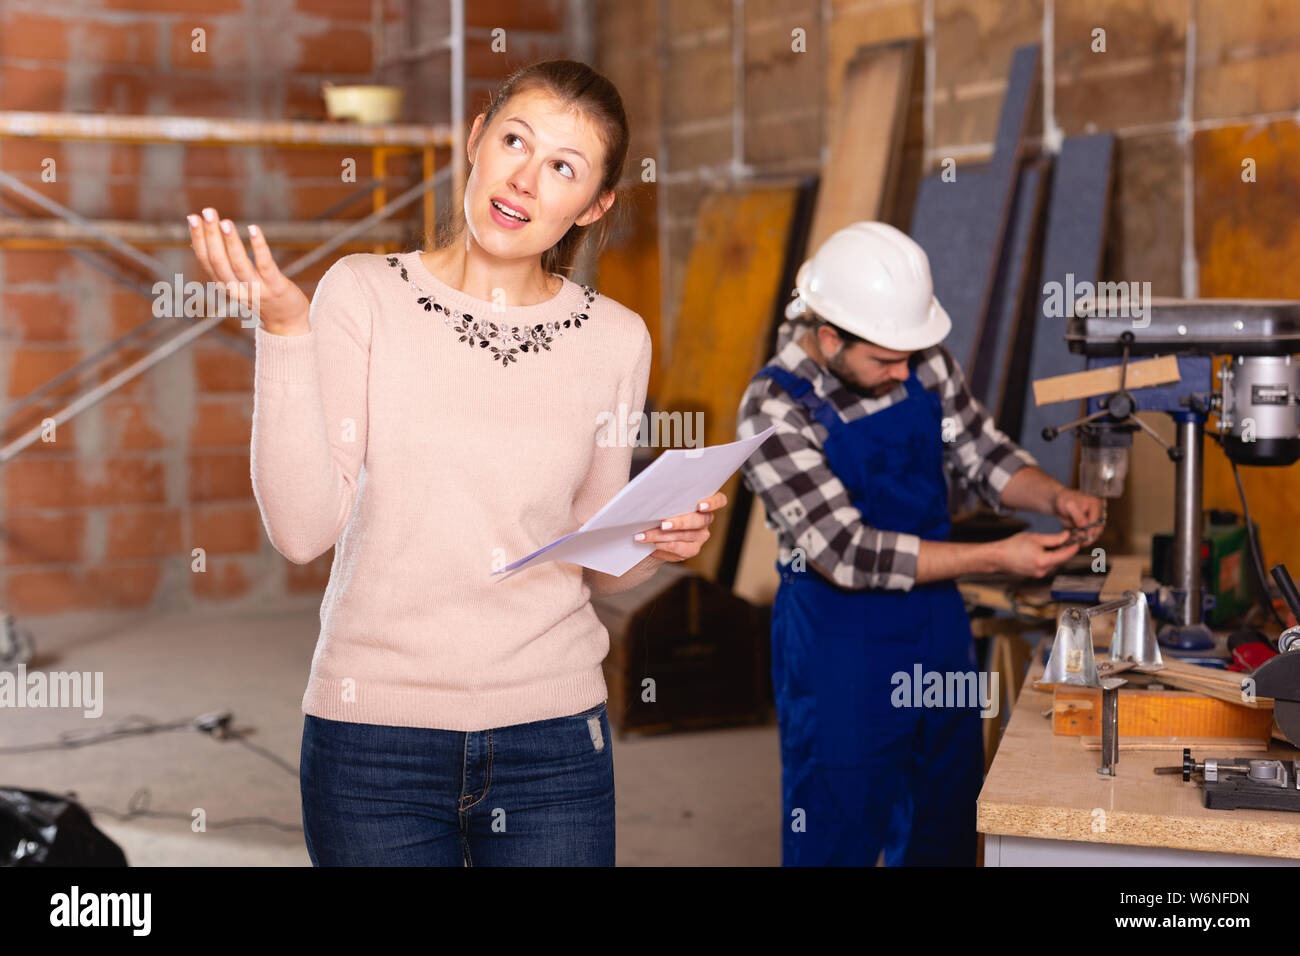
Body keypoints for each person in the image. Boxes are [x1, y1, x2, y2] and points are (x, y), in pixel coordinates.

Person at [186, 59, 728, 866]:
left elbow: (600, 563)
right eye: (515, 140)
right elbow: (302, 532)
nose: (523, 180)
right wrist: (285, 333)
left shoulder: (617, 337)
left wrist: (657, 537)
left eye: (563, 168)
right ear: (476, 138)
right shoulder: (361, 293)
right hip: (374, 741)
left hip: (554, 739)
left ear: (596, 203)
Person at [735, 221, 1103, 866]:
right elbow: (846, 552)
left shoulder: (916, 352)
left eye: (911, 353)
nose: (906, 371)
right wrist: (999, 558)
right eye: (885, 360)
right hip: (838, 634)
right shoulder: (773, 408)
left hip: (934, 621)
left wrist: (1052, 496)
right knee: (837, 822)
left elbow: (980, 453)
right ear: (829, 337)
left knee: (945, 808)